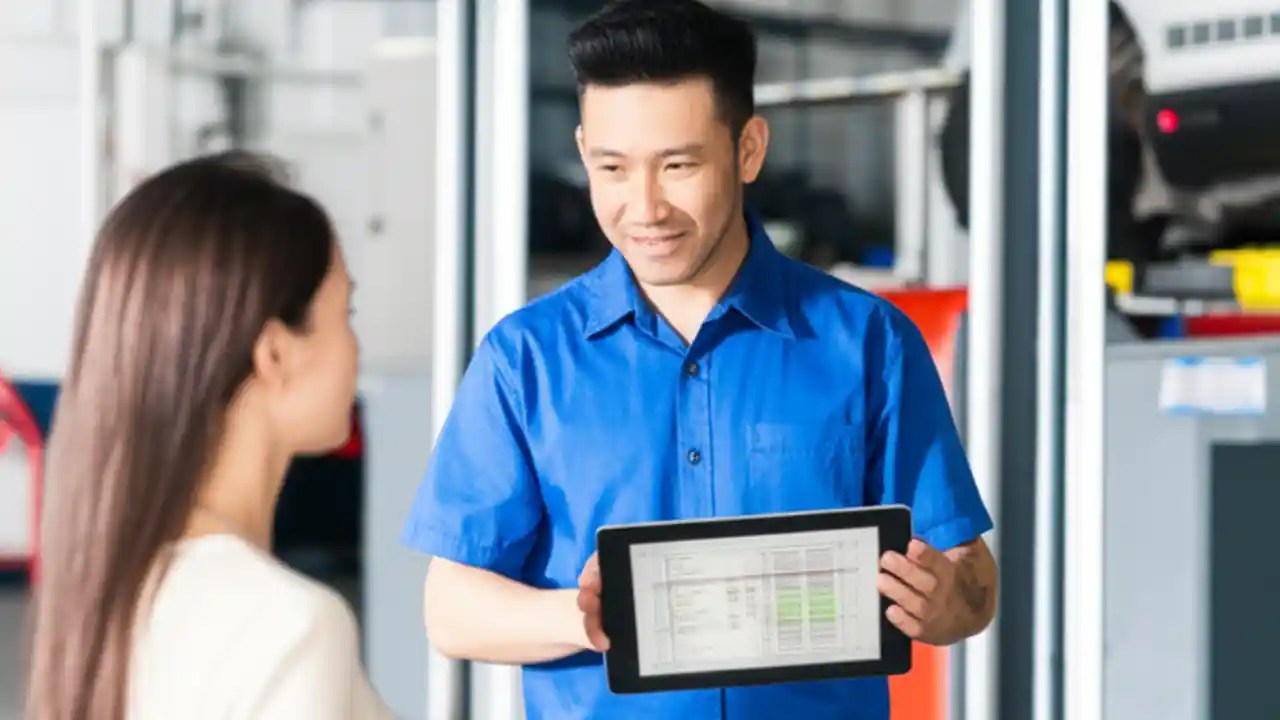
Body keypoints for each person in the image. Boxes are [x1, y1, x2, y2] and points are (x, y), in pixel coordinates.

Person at [402, 1, 998, 718]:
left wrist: (943, 603)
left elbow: (973, 580)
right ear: (585, 149)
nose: (644, 206)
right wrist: (581, 616)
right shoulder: (525, 359)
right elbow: (451, 608)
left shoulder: (868, 343)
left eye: (679, 165)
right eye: (612, 168)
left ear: (748, 149)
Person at [27, 153, 393, 720]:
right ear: (274, 353)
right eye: (345, 311)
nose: (355, 347)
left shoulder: (112, 594)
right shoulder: (290, 625)